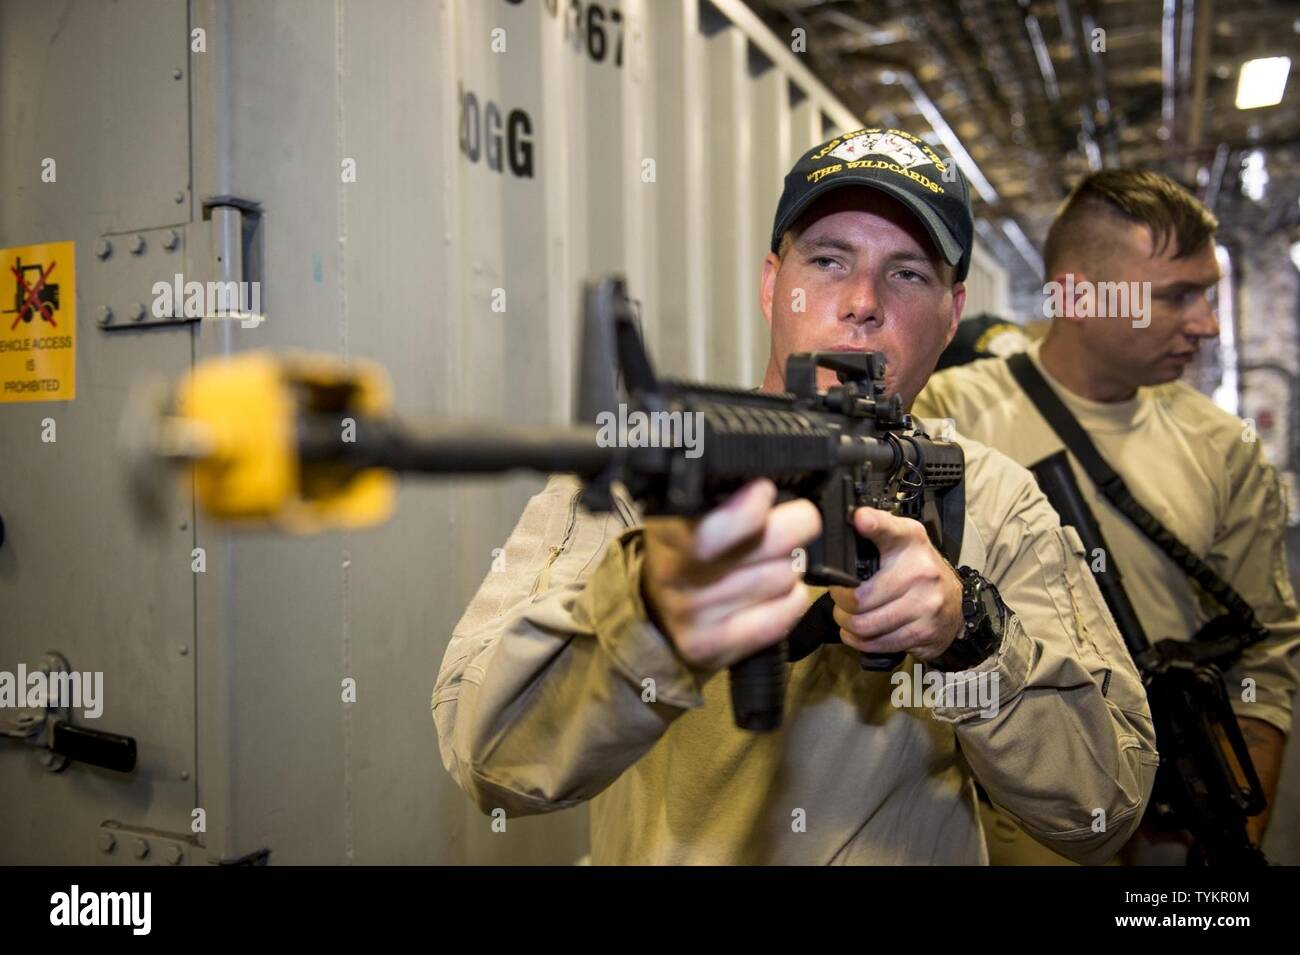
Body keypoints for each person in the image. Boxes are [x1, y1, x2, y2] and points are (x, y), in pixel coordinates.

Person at [433, 128, 1157, 864]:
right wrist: (646, 616)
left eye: (907, 273)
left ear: (952, 311)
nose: (862, 302)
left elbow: (1105, 806)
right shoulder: (662, 470)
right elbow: (487, 759)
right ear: (772, 283)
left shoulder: (995, 499)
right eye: (829, 260)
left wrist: (968, 637)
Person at [914, 169, 1300, 864]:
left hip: (1175, 832)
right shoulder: (950, 415)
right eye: (1177, 296)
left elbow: (1267, 655)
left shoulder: (1224, 448)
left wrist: (1230, 838)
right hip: (1002, 822)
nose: (1207, 324)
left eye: (1207, 295)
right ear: (1076, 296)